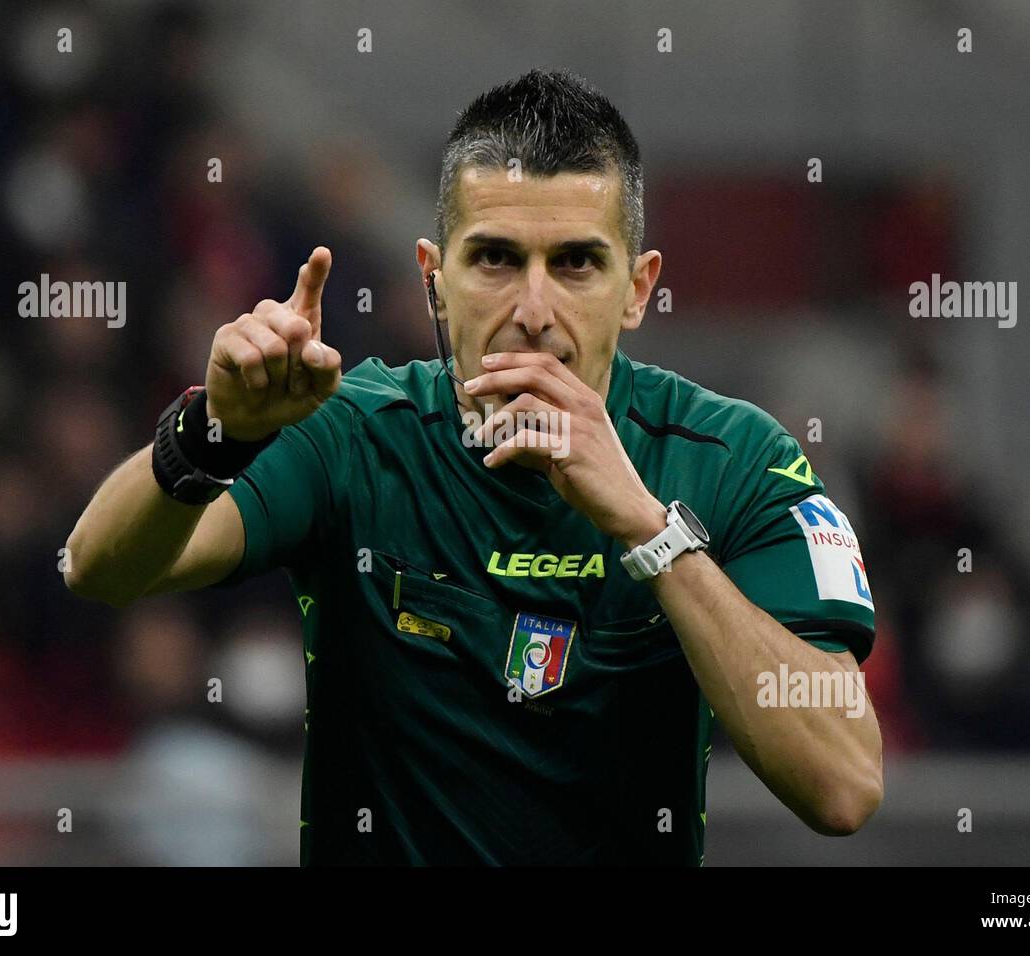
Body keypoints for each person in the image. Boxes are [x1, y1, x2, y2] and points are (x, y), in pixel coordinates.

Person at [66, 68, 882, 865]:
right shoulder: (354, 431)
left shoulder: (736, 461)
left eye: (575, 263)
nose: (532, 311)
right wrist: (214, 434)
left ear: (637, 289)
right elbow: (98, 568)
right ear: (435, 280)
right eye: (494, 259)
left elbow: (843, 785)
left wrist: (649, 529)